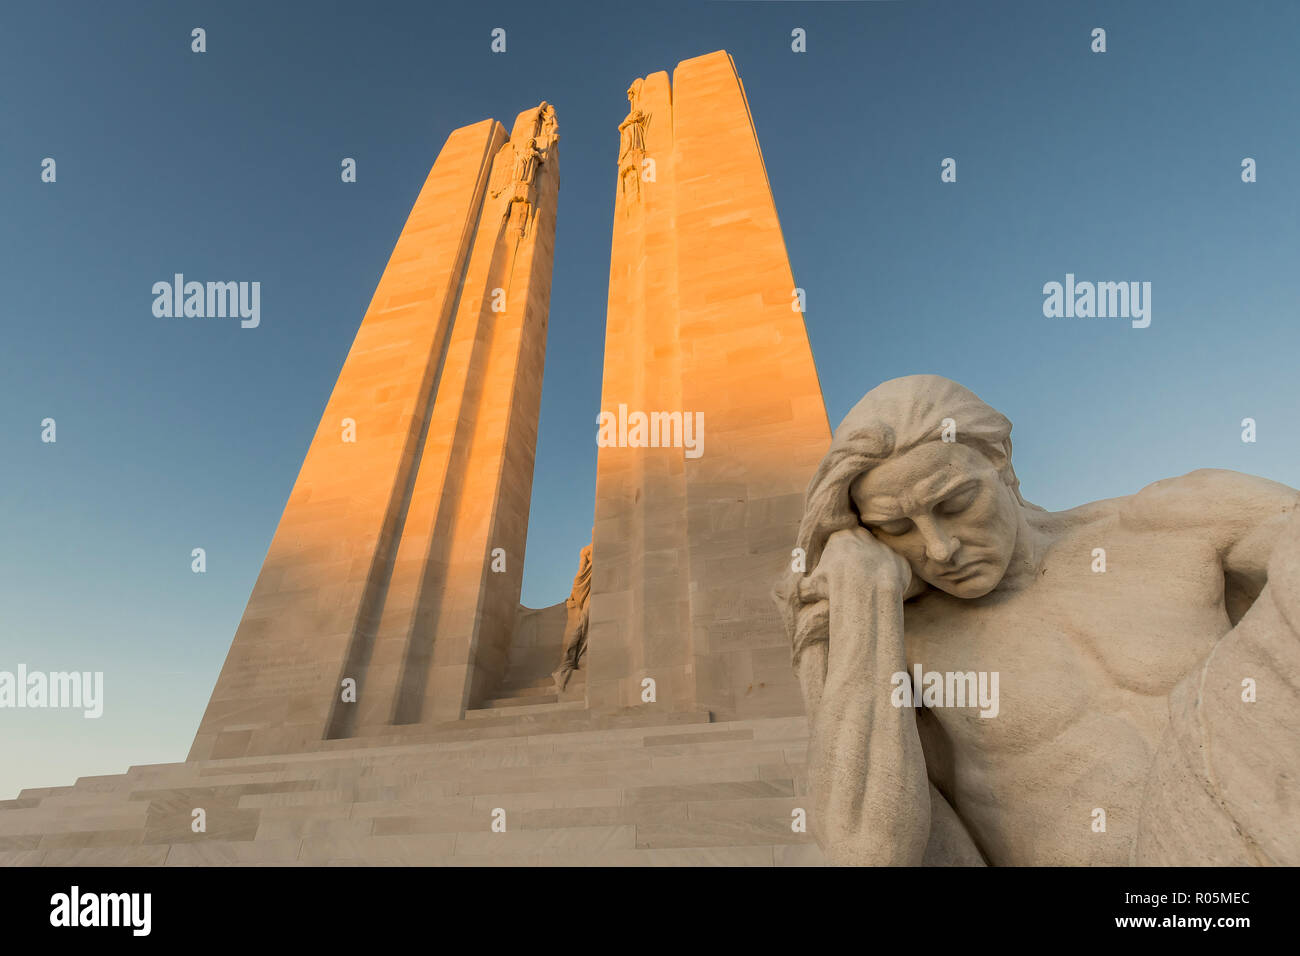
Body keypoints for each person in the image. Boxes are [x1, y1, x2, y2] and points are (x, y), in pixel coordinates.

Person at [775, 374, 1299, 865]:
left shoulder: (1177, 525)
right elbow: (869, 851)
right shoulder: (900, 638)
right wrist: (862, 604)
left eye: (956, 502)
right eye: (895, 528)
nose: (939, 548)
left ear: (1000, 461)